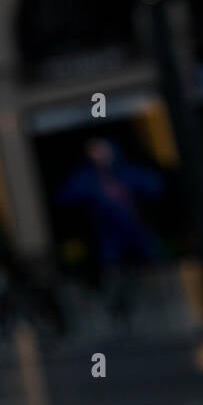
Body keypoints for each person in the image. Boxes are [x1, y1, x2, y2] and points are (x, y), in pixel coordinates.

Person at [57, 137, 165, 320]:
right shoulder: (88, 176)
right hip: (108, 235)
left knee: (151, 264)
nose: (100, 155)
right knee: (112, 272)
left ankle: (154, 304)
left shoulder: (125, 171)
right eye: (95, 151)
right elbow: (67, 194)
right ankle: (117, 308)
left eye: (103, 150)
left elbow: (153, 184)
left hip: (134, 229)